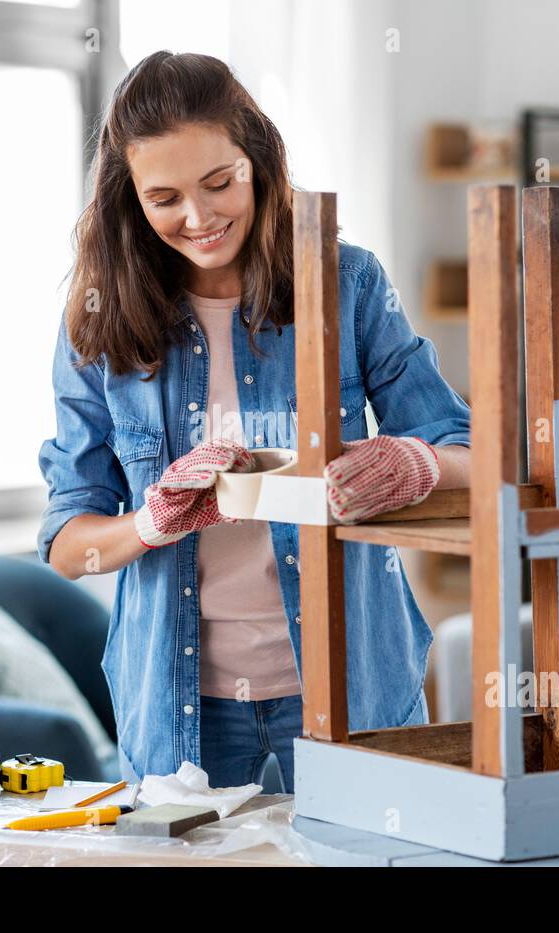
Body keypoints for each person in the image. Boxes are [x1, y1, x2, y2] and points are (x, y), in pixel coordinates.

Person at [38, 51, 471, 791]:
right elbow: (67, 544)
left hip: (350, 681)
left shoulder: (346, 282)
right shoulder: (98, 320)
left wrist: (413, 464)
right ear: (129, 199)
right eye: (165, 197)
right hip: (179, 707)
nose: (199, 219)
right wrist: (154, 521)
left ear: (258, 161)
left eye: (218, 183)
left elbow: (466, 450)